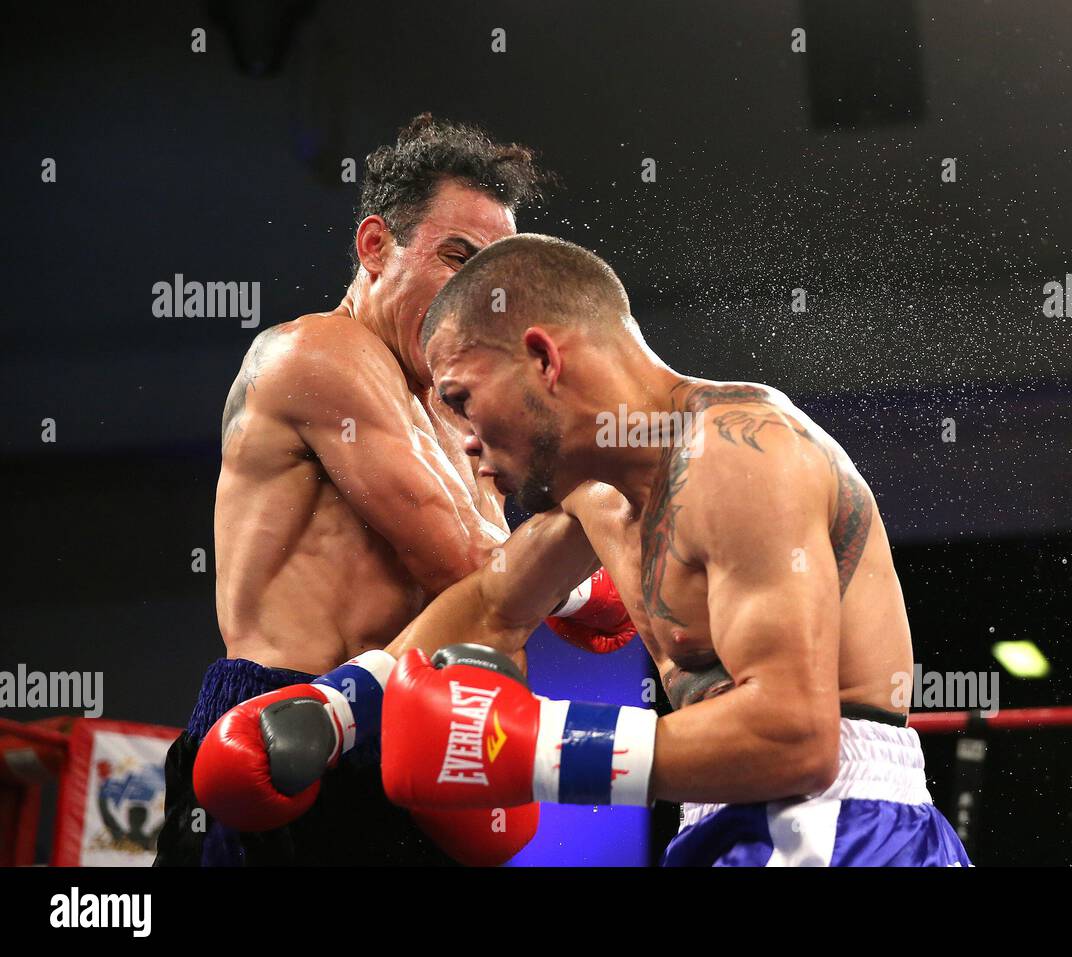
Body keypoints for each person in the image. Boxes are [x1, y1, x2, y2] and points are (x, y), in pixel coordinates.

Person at [372, 233, 972, 866]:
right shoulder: (599, 495)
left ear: (543, 359)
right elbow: (491, 606)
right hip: (718, 819)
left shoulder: (742, 451)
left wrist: (538, 747)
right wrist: (333, 711)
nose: (466, 439)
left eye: (463, 399)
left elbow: (796, 738)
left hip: (834, 823)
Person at [156, 121, 633, 867]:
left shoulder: (457, 407)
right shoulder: (315, 355)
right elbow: (469, 564)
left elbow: (492, 613)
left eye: (493, 281)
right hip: (282, 734)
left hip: (409, 737)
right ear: (375, 246)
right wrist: (593, 583)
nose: (476, 299)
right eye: (456, 259)